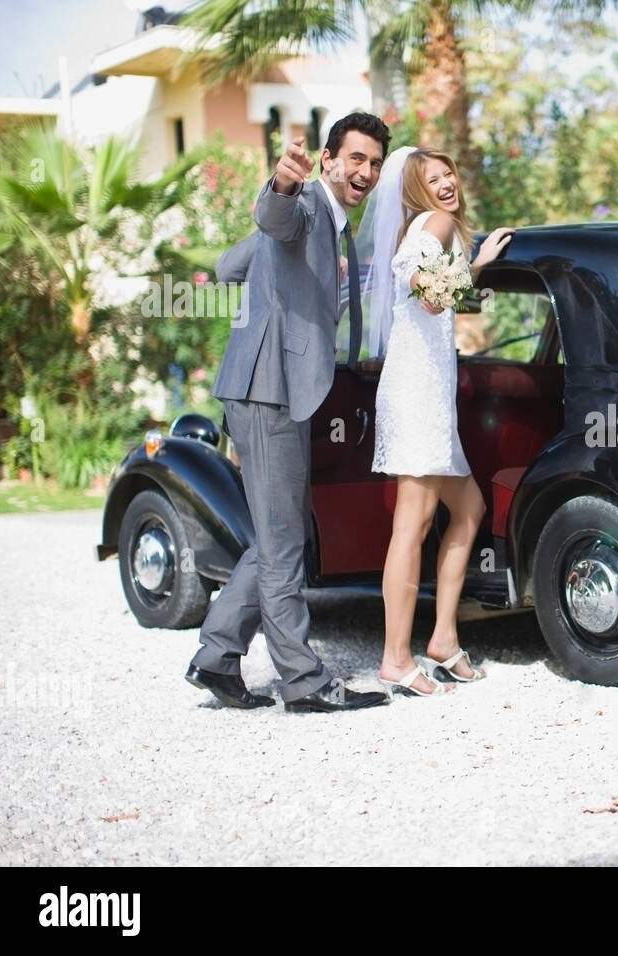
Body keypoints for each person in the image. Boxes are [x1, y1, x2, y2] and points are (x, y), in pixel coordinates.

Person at [185, 112, 392, 713]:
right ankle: (303, 682)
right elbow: (276, 216)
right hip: (271, 387)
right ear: (328, 160)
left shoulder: (325, 225)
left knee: (283, 533)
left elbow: (229, 268)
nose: (366, 172)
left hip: (266, 388)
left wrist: (298, 266)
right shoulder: (305, 205)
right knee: (283, 544)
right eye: (355, 159)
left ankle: (216, 655)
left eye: (375, 163)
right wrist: (280, 186)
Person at [363, 147, 515, 697]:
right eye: (433, 178)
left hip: (421, 388)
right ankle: (395, 659)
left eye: (448, 173)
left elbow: (429, 292)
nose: (447, 182)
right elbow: (432, 299)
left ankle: (443, 639)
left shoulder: (416, 232)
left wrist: (471, 267)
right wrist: (474, 268)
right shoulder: (439, 222)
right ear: (416, 191)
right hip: (418, 392)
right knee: (413, 522)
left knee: (468, 507)